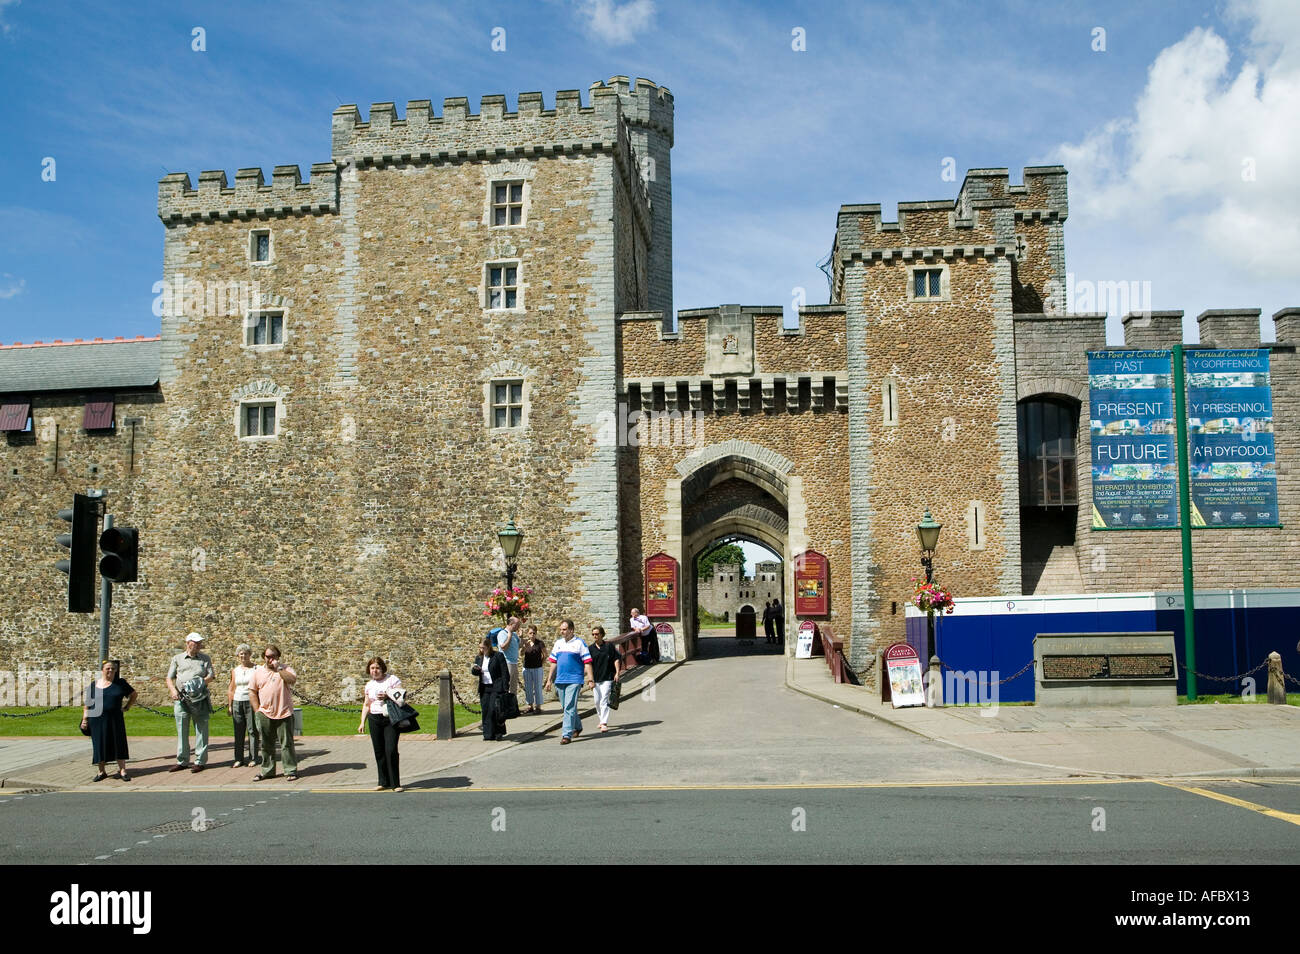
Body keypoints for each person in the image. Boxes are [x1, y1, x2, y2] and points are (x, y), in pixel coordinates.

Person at [166, 632, 214, 773]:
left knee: (201, 729)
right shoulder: (177, 658)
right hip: (181, 699)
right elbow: (169, 678)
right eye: (196, 642)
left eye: (200, 643)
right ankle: (182, 760)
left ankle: (199, 761)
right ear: (188, 643)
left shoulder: (205, 658)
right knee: (182, 729)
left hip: (199, 699)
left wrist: (198, 683)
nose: (199, 645)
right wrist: (173, 691)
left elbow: (211, 675)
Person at [81, 660, 136, 782]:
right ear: (102, 670)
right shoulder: (94, 685)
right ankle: (101, 771)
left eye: (113, 669)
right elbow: (87, 704)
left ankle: (123, 770)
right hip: (96, 719)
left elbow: (134, 694)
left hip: (115, 719)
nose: (110, 671)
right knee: (99, 744)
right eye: (108, 668)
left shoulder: (120, 683)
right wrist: (85, 719)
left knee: (118, 743)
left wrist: (127, 707)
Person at [249, 644, 298, 781]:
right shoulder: (258, 673)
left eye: (273, 656)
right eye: (268, 657)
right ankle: (267, 770)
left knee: (287, 744)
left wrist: (279, 669)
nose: (270, 659)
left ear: (278, 656)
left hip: (284, 712)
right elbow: (252, 691)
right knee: (266, 744)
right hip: (265, 713)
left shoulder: (285, 669)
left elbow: (292, 680)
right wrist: (257, 710)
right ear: (263, 657)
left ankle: (290, 770)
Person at [357, 656, 403, 792]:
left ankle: (395, 784)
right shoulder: (369, 685)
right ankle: (383, 781)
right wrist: (362, 722)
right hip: (374, 718)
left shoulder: (392, 680)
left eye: (377, 668)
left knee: (391, 750)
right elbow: (366, 704)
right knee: (379, 751)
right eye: (372, 668)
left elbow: (401, 696)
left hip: (390, 718)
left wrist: (388, 696)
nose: (375, 671)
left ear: (382, 668)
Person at [544, 619, 593, 744]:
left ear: (571, 630)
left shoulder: (580, 643)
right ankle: (577, 726)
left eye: (564, 629)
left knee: (569, 707)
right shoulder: (558, 643)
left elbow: (587, 662)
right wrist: (549, 680)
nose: (562, 632)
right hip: (560, 679)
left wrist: (590, 679)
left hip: (575, 679)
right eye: (561, 629)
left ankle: (566, 734)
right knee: (566, 707)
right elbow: (553, 662)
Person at [227, 644, 259, 767]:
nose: (243, 656)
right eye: (241, 654)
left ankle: (253, 757)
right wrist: (230, 705)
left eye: (245, 653)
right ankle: (239, 758)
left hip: (250, 701)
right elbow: (231, 688)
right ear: (238, 656)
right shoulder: (235, 670)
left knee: (252, 730)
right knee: (238, 731)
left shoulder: (256, 668)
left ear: (249, 655)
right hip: (237, 701)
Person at [472, 636, 509, 741]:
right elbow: (474, 672)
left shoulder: (498, 656)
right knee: (486, 710)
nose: (481, 650)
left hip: (496, 687)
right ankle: (488, 734)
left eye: (483, 648)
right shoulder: (479, 658)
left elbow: (504, 672)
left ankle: (498, 732)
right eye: (480, 648)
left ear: (488, 647)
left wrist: (505, 687)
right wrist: (476, 670)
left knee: (494, 710)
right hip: (484, 687)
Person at [588, 625, 622, 733]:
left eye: (597, 634)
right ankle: (601, 719)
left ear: (602, 635)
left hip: (607, 677)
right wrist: (589, 679)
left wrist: (617, 673)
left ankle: (604, 723)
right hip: (596, 678)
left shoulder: (609, 646)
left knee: (604, 700)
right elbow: (587, 665)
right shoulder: (590, 649)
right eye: (593, 634)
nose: (595, 636)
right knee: (597, 701)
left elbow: (616, 659)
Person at [522, 624, 546, 713]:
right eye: (530, 633)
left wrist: (541, 663)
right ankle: (530, 705)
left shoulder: (540, 643)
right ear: (528, 634)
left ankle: (538, 706)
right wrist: (524, 647)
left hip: (537, 668)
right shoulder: (526, 643)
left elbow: (545, 654)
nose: (532, 635)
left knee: (537, 687)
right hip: (527, 667)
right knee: (528, 687)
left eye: (534, 633)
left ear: (536, 633)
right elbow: (521, 654)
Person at [496, 616, 522, 696]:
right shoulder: (502, 633)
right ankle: (507, 706)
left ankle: (513, 706)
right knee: (507, 686)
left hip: (514, 663)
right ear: (511, 624)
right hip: (507, 663)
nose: (518, 627)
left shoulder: (514, 634)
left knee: (513, 687)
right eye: (517, 624)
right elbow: (503, 647)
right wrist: (509, 636)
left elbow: (519, 646)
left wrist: (521, 637)